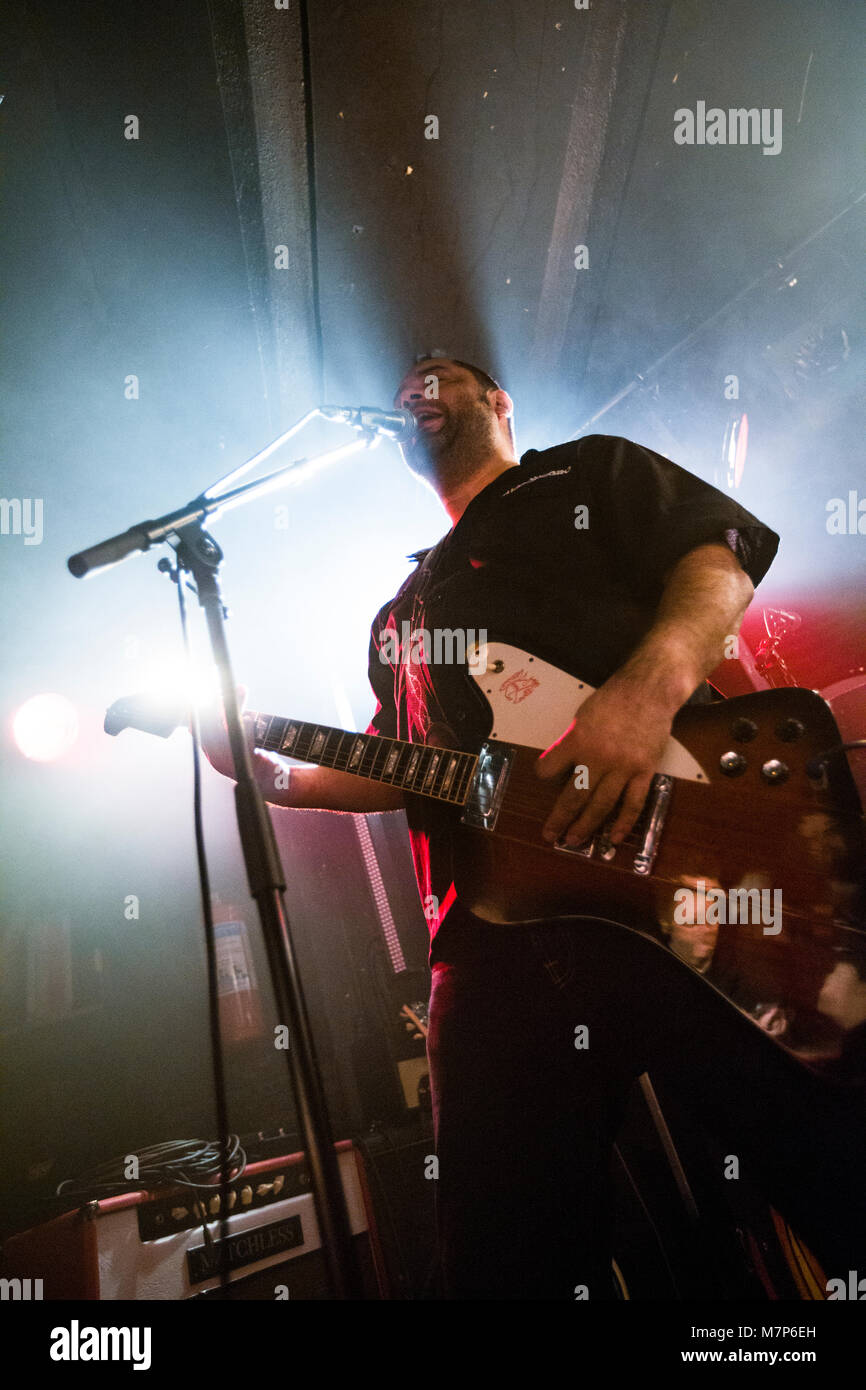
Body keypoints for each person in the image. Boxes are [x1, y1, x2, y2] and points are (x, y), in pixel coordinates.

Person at [204, 356, 864, 1299]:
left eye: (437, 375)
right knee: (502, 1254)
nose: (413, 395)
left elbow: (717, 559)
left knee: (829, 1149)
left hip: (682, 860)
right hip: (494, 931)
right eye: (403, 389)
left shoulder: (583, 473)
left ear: (499, 399)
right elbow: (407, 763)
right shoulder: (396, 616)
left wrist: (644, 695)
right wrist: (279, 775)